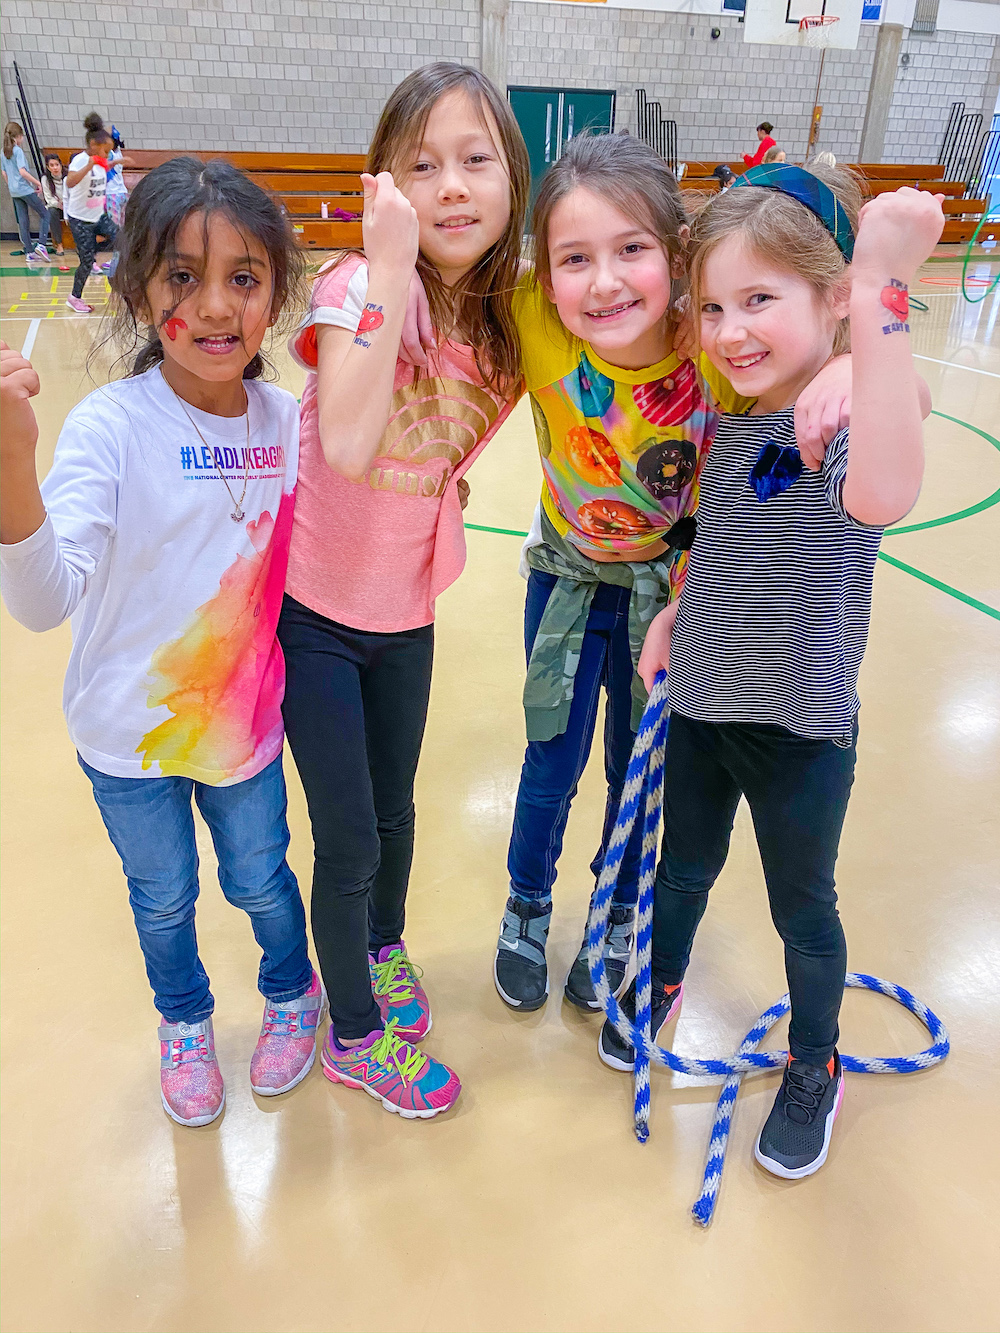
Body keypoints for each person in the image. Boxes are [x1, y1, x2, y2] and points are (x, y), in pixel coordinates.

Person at [603, 162, 944, 1180]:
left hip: (800, 725)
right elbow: (720, 540)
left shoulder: (841, 428)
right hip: (703, 703)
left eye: (759, 300)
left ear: (829, 298)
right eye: (712, 306)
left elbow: (886, 485)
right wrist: (675, 607)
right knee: (682, 873)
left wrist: (881, 294)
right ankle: (659, 985)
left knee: (804, 909)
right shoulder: (732, 421)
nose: (729, 329)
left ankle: (814, 1060)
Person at [493, 134, 857, 1014]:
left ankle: (618, 914)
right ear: (548, 280)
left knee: (634, 767)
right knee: (551, 761)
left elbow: (827, 364)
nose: (604, 281)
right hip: (568, 582)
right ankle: (527, 905)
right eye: (575, 259)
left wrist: (857, 364)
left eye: (632, 251)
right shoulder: (538, 321)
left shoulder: (716, 350)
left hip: (669, 598)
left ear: (678, 258)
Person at [0, 157, 323, 1130]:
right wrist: (13, 462)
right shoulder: (111, 425)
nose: (216, 305)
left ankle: (289, 990)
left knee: (261, 874)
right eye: (183, 276)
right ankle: (183, 1020)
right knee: (164, 898)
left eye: (244, 276)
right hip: (124, 738)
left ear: (273, 295)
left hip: (243, 730)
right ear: (140, 290)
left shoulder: (286, 421)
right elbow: (43, 601)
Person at [280, 62, 529, 1119]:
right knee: (347, 840)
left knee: (395, 812)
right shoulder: (354, 288)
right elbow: (342, 439)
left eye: (476, 160)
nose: (451, 186)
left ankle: (380, 951)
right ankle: (353, 1035)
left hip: (405, 615)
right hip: (312, 616)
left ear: (513, 176)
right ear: (385, 184)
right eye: (421, 165)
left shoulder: (508, 332)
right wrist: (385, 269)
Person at [64, 113, 119, 313]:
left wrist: (117, 162)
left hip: (98, 215)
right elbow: (69, 182)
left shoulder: (101, 160)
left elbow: (105, 166)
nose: (107, 154)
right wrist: (89, 165)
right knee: (86, 262)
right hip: (81, 220)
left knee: (122, 238)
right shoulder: (80, 160)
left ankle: (118, 282)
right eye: (106, 150)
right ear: (94, 145)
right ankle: (74, 297)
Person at [1, 122, 51, 267]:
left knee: (23, 220)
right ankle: (41, 244)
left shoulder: (3, 152)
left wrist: (12, 185)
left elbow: (4, 173)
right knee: (45, 214)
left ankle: (29, 252)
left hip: (14, 191)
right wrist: (38, 183)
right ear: (17, 137)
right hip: (24, 189)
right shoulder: (17, 151)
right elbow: (23, 172)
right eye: (21, 136)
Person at [41, 153, 71, 270]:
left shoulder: (68, 176)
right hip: (56, 206)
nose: (55, 168)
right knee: (52, 212)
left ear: (60, 165)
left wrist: (66, 204)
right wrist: (60, 204)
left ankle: (79, 245)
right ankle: (59, 245)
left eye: (57, 165)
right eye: (51, 165)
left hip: (69, 205)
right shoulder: (45, 179)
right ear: (48, 167)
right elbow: (48, 199)